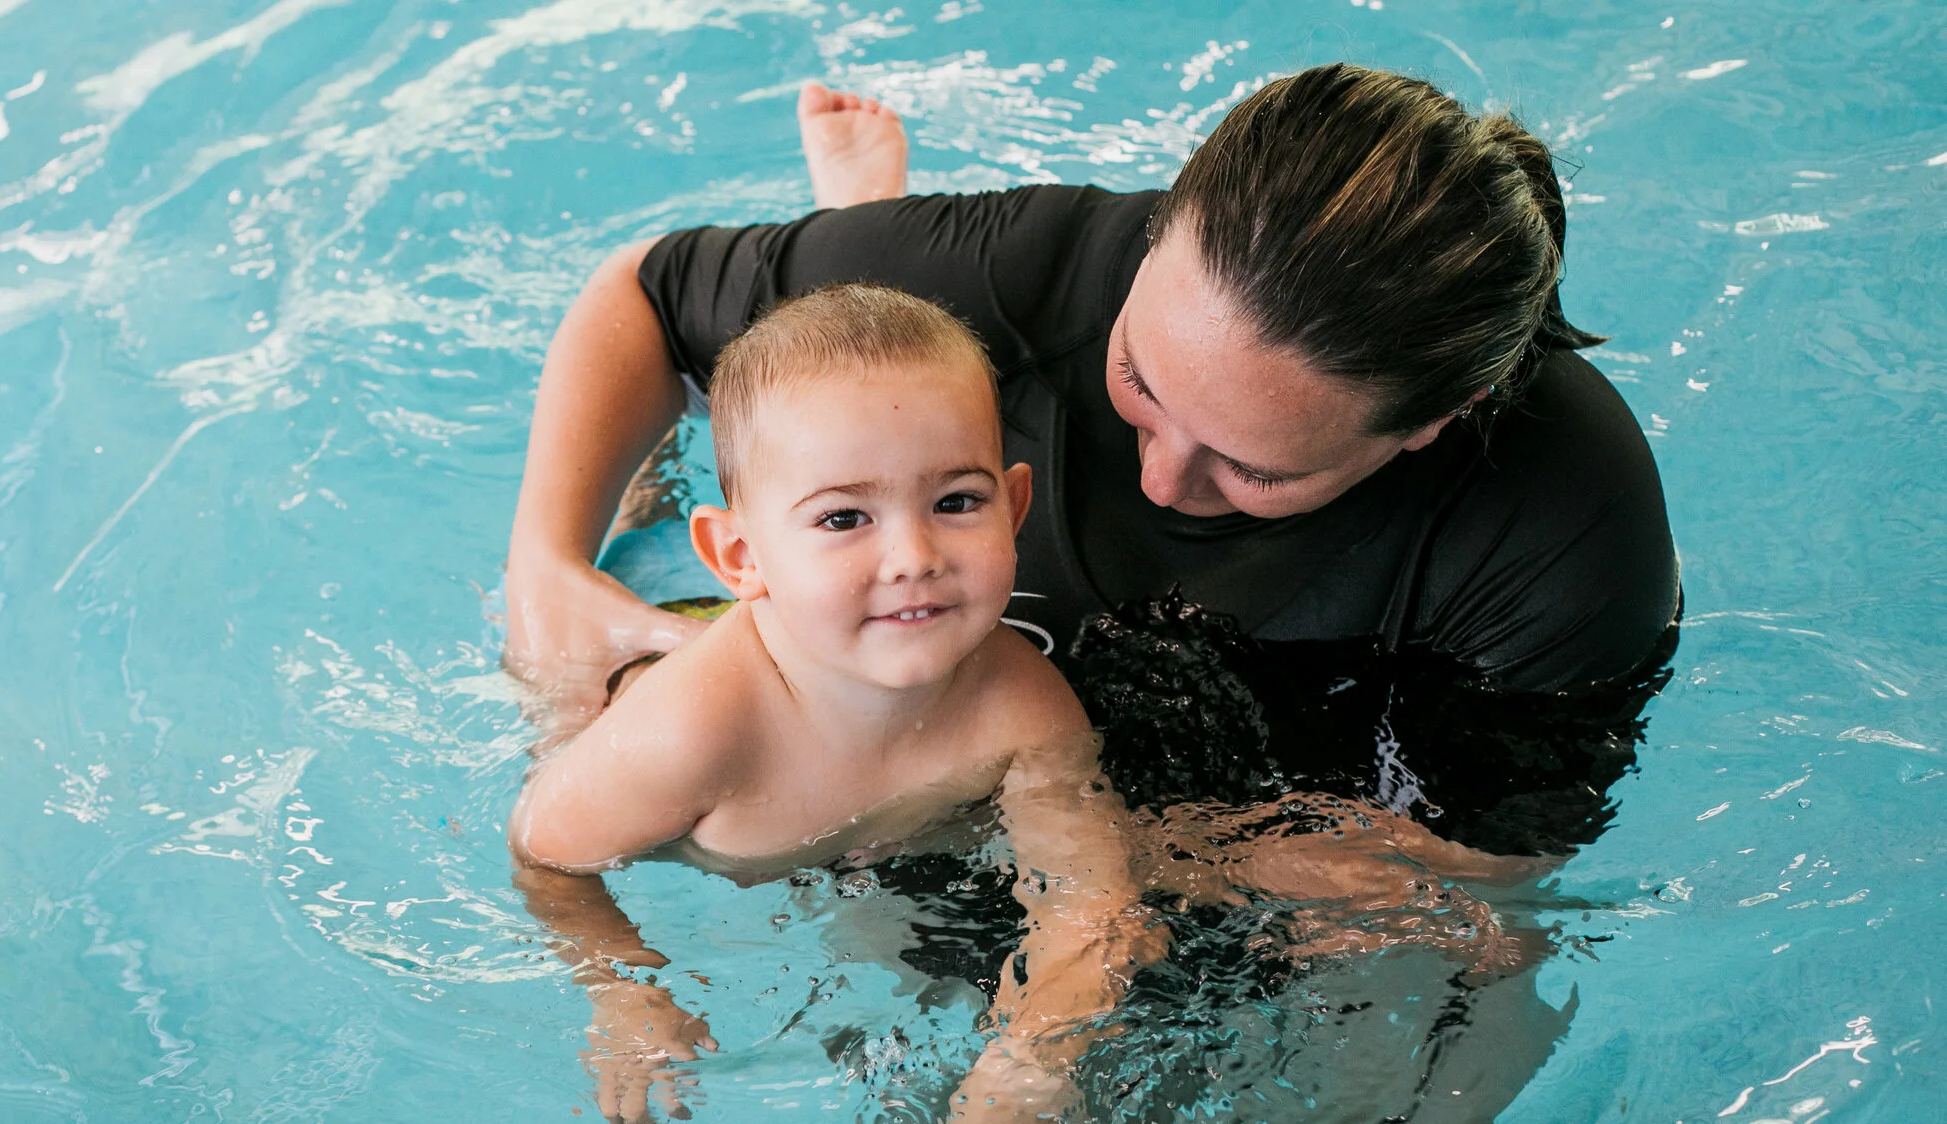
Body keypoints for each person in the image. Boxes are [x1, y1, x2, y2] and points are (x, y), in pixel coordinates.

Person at [502, 65, 1679, 859]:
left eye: (1250, 470)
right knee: (789, 446)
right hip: (948, 520)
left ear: (1435, 420)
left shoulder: (1564, 531)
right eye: (1140, 384)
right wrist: (546, 564)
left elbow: (1491, 883)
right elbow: (643, 300)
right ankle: (863, 243)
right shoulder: (1043, 264)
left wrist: (1213, 865)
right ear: (1161, 229)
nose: (1163, 477)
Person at [509, 283, 1163, 1124]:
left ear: (1016, 509)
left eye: (957, 502)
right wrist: (622, 988)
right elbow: (546, 854)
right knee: (585, 641)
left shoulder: (1020, 702)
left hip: (809, 631)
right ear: (742, 555)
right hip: (651, 647)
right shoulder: (690, 733)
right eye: (844, 517)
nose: (914, 556)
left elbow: (1089, 904)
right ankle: (653, 471)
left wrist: (1030, 1061)